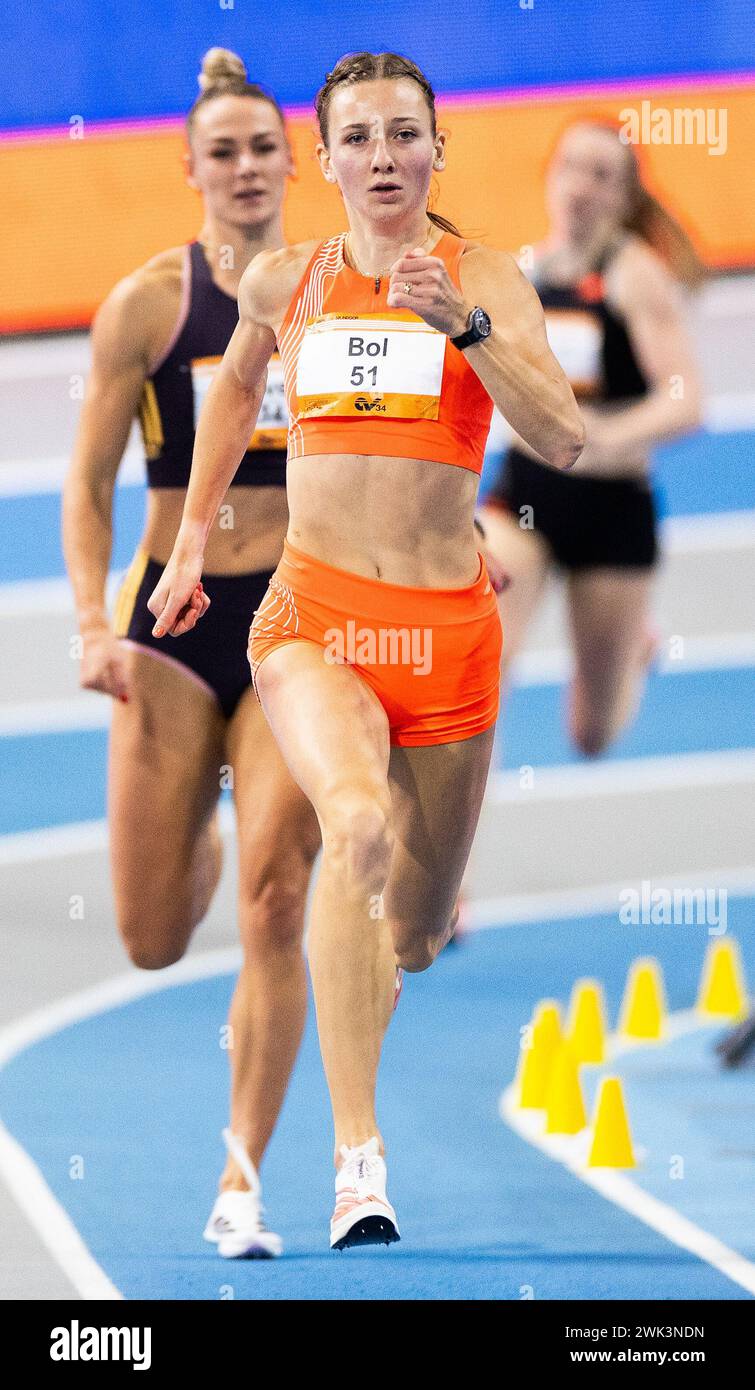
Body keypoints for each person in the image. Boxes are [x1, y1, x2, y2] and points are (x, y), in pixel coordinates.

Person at [148, 51, 584, 1251]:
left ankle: (381, 977)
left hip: (448, 633)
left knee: (418, 932)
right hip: (314, 615)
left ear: (438, 148)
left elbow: (564, 436)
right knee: (353, 827)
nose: (382, 157)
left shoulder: (483, 274)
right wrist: (191, 547)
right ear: (325, 158)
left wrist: (474, 328)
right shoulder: (286, 282)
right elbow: (234, 399)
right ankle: (357, 1162)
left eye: (404, 134)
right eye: (359, 138)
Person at [62, 48, 320, 1259]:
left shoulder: (333, 295)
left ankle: (240, 1179)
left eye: (264, 146)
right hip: (168, 633)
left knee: (280, 905)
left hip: (291, 627)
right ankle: (203, 817)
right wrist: (84, 623)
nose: (245, 166)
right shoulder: (147, 307)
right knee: (153, 936)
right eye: (222, 150)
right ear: (190, 170)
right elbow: (86, 485)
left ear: (290, 157)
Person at [480, 120, 705, 755]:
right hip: (525, 497)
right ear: (551, 179)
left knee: (590, 735)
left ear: (624, 197)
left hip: (612, 512)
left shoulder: (634, 277)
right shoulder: (523, 273)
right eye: (571, 168)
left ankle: (635, 649)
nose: (581, 187)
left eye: (601, 175)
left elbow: (686, 401)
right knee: (482, 659)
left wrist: (601, 436)